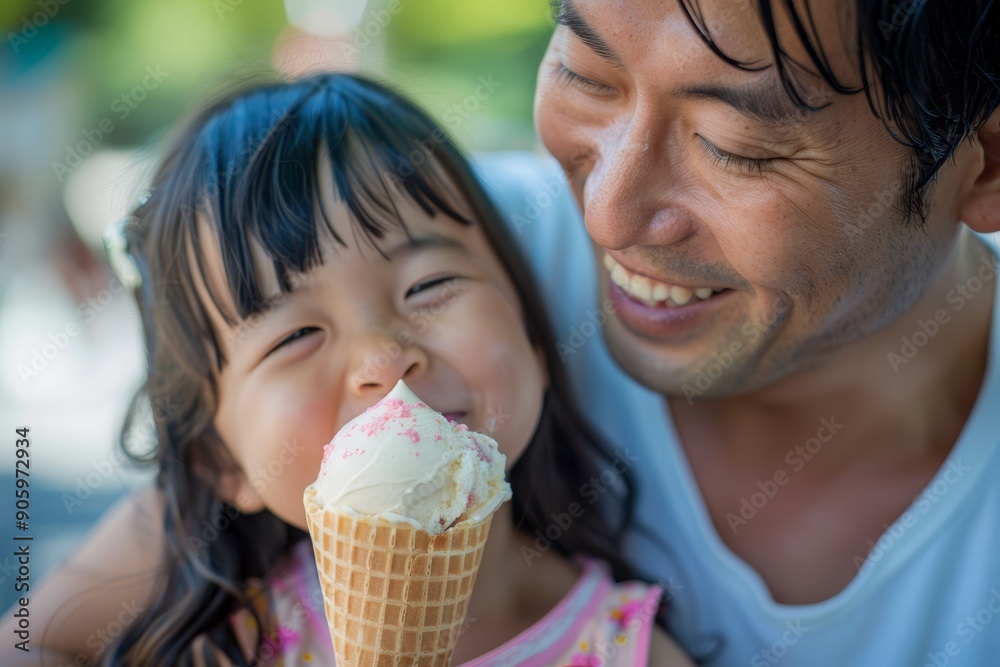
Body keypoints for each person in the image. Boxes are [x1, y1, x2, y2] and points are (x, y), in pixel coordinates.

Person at [0, 74, 691, 666]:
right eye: (296, 332)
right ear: (220, 460)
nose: (384, 360)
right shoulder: (230, 621)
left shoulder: (623, 646)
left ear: (534, 343)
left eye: (429, 286)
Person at [473, 0, 1000, 665]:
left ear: (987, 163)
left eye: (734, 147)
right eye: (586, 76)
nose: (608, 216)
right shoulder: (412, 266)